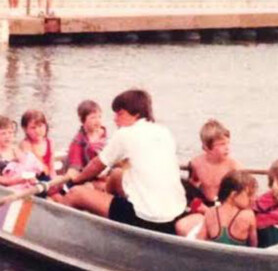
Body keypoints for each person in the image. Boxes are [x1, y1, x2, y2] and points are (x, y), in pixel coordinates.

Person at [61, 89, 186, 235]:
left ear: (136, 114)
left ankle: (59, 235)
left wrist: (76, 179)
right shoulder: (164, 132)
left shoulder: (125, 134)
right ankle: (108, 222)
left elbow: (96, 165)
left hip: (144, 219)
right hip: (175, 214)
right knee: (116, 174)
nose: (115, 119)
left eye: (120, 114)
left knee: (75, 194)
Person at [186, 119, 240, 212]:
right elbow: (192, 189)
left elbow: (239, 195)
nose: (227, 148)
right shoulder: (196, 163)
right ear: (206, 147)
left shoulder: (233, 167)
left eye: (228, 143)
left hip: (223, 205)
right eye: (222, 144)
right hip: (204, 204)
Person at [197, 170, 258, 247]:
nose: (253, 199)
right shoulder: (248, 215)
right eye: (249, 195)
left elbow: (199, 240)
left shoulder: (210, 212)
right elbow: (253, 245)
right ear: (233, 195)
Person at [0, 115, 39, 187]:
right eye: (3, 133)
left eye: (10, 132)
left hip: (21, 186)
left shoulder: (14, 150)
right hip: (3, 190)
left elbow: (25, 165)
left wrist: (29, 176)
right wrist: (12, 181)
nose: (8, 136)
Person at [66, 100, 108, 174]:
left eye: (99, 117)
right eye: (93, 118)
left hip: (104, 172)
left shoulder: (104, 136)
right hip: (87, 176)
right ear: (82, 120)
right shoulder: (78, 142)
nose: (98, 121)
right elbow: (75, 167)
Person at [19, 109, 54, 180]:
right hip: (33, 179)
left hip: (47, 178)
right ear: (25, 129)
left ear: (45, 126)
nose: (37, 131)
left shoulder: (50, 142)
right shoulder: (26, 144)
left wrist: (54, 181)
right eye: (33, 128)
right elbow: (38, 167)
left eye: (40, 126)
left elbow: (51, 168)